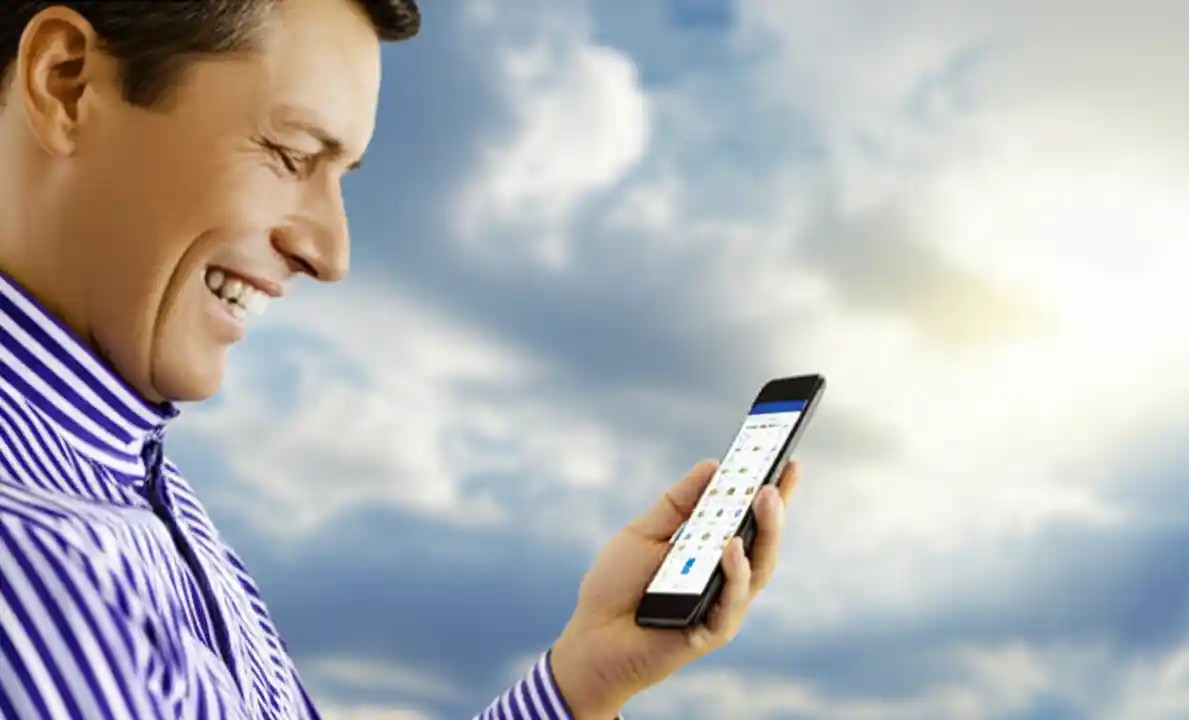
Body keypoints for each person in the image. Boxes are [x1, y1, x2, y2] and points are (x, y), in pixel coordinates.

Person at [0, 1, 802, 718]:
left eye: (342, 175)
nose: (331, 251)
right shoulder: (41, 564)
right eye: (290, 153)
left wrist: (581, 681)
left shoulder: (142, 492)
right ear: (66, 83)